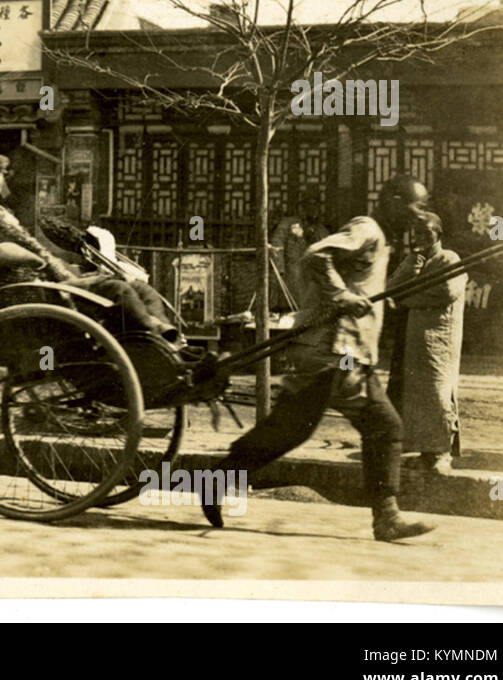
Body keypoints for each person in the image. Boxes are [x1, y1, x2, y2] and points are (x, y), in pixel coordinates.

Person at [199, 174, 438, 542]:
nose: (420, 213)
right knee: (384, 427)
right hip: (335, 353)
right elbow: (316, 254)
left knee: (291, 428)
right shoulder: (367, 228)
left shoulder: (384, 239)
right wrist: (342, 295)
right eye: (415, 205)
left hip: (344, 353)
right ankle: (386, 517)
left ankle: (217, 481)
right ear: (390, 199)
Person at [0, 141, 179, 341]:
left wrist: (62, 265)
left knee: (139, 287)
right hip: (16, 292)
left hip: (41, 284)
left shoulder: (4, 214)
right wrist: (33, 258)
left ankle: (165, 346)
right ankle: (154, 336)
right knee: (117, 290)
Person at [385, 211, 465, 473]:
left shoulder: (449, 258)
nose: (420, 237)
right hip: (412, 338)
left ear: (438, 233)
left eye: (426, 232)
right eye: (416, 233)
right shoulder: (413, 261)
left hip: (439, 339)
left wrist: (408, 297)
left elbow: (445, 293)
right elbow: (391, 289)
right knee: (413, 395)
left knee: (438, 394)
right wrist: (412, 265)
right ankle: (423, 451)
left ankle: (442, 452)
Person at [269, 188, 329, 309]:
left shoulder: (322, 230)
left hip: (312, 280)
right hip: (291, 277)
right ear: (302, 206)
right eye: (308, 204)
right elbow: (277, 247)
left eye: (315, 204)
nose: (312, 208)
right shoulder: (287, 224)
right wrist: (280, 272)